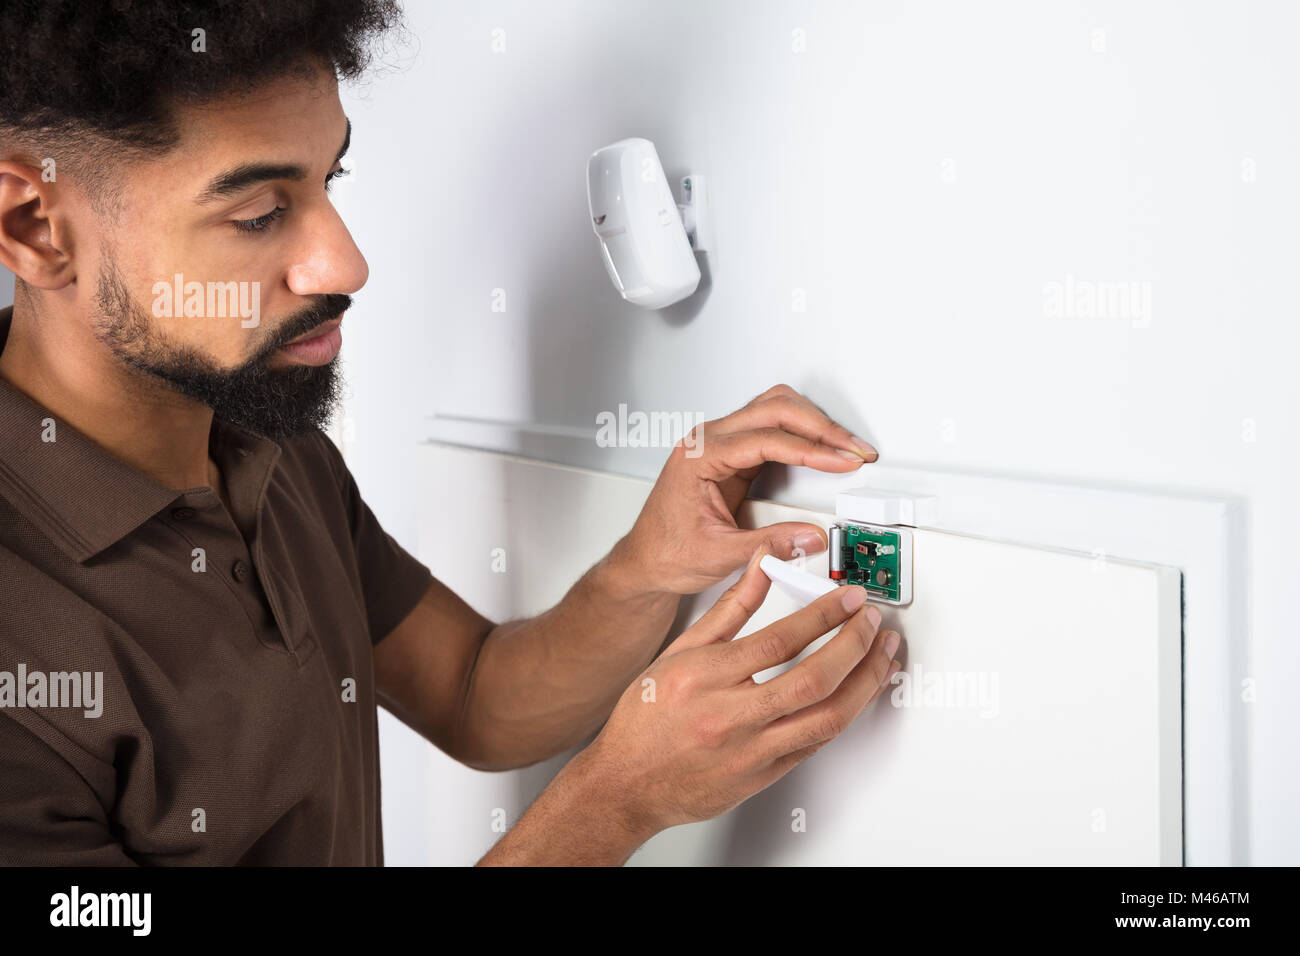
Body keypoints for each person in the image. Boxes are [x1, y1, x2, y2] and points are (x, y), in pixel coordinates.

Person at [0, 0, 901, 866]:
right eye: (259, 215)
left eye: (329, 179)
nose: (345, 263)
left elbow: (475, 693)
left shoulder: (269, 442)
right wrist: (615, 802)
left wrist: (645, 567)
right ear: (35, 228)